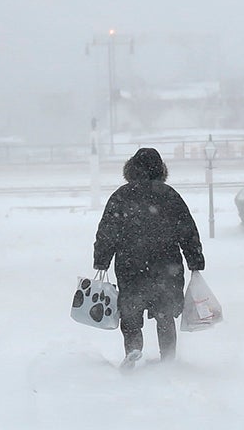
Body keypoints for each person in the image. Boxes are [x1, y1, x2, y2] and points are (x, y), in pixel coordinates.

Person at [93, 147, 205, 368]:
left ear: (132, 169)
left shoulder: (122, 195)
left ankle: (133, 349)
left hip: (130, 264)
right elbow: (188, 230)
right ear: (160, 170)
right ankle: (168, 359)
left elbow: (107, 231)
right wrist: (195, 260)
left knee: (131, 312)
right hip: (166, 265)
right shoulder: (169, 195)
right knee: (165, 314)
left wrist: (102, 259)